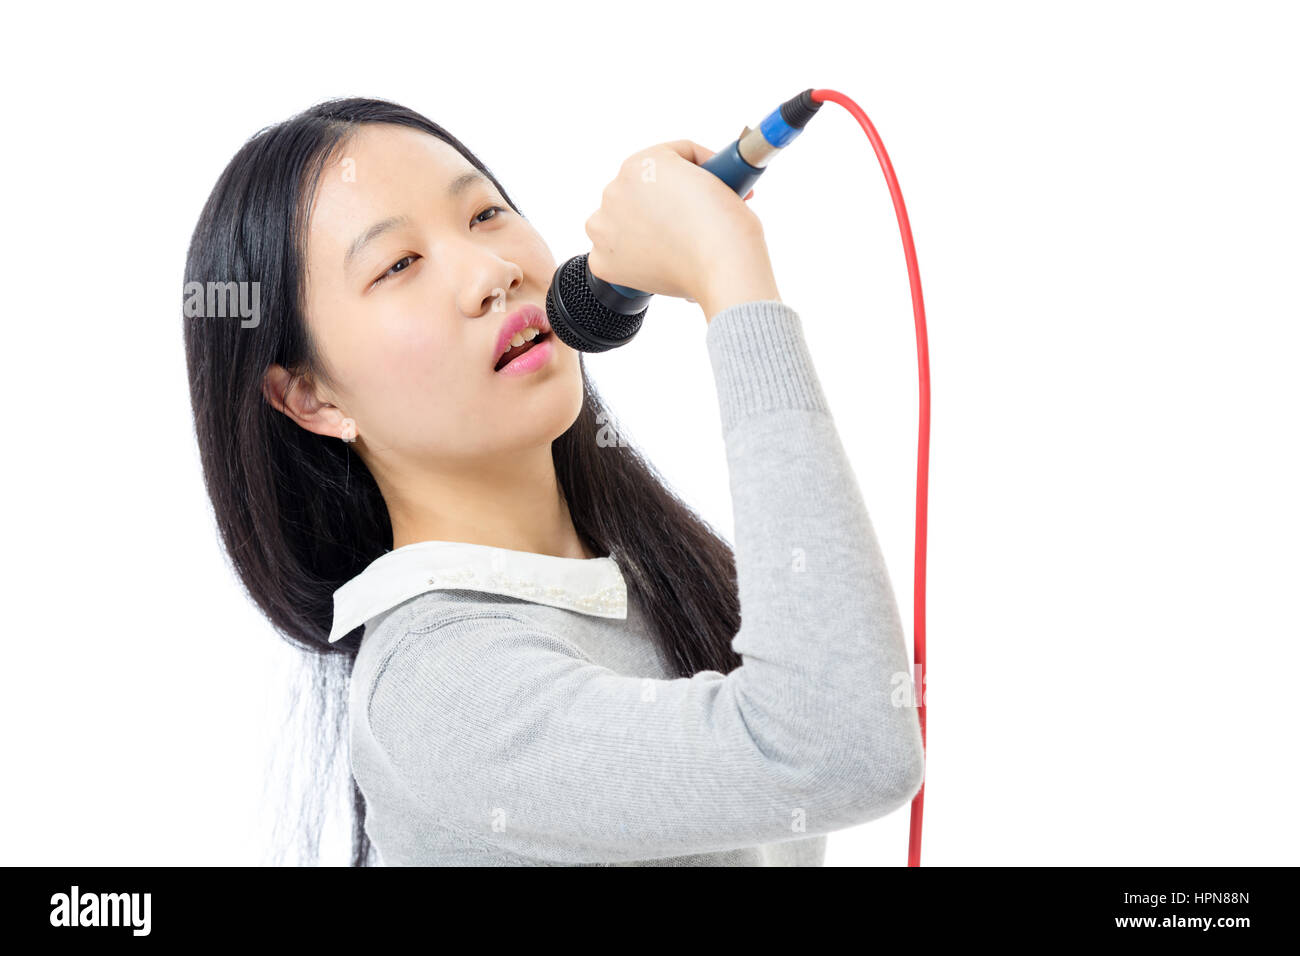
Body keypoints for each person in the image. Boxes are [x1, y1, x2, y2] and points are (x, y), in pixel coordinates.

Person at [182, 96, 924, 866]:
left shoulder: (646, 575)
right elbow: (843, 747)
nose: (492, 272)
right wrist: (728, 273)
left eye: (484, 215)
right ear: (313, 397)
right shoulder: (441, 689)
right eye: (398, 264)